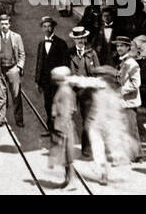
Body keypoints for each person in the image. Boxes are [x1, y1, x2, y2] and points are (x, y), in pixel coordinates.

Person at [34, 15, 70, 134]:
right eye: (44, 27)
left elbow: (66, 64)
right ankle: (50, 129)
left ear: (53, 27)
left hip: (57, 82)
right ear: (42, 28)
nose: (47, 29)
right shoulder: (41, 44)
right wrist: (37, 81)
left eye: (49, 26)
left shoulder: (61, 43)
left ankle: (60, 129)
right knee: (48, 105)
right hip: (45, 82)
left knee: (58, 105)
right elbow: (39, 63)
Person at [0, 12, 26, 129]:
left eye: (6, 24)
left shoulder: (16, 37)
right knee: (0, 95)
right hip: (0, 70)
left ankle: (19, 120)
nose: (4, 26)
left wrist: (19, 67)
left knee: (16, 95)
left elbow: (22, 54)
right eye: (2, 24)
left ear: (10, 25)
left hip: (12, 69)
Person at [69, 27, 99, 158]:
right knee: (70, 118)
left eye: (82, 38)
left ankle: (86, 147)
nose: (80, 40)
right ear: (74, 40)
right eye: (77, 38)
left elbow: (98, 72)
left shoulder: (92, 53)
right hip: (73, 91)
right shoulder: (69, 53)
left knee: (87, 120)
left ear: (85, 38)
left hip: (87, 92)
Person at [48, 66, 77, 187]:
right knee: (65, 156)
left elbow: (66, 111)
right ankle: (67, 180)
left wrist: (61, 129)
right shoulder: (64, 89)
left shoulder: (64, 91)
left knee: (67, 156)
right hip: (63, 125)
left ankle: (71, 182)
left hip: (64, 126)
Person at [114, 36, 142, 161]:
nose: (119, 48)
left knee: (131, 129)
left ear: (128, 48)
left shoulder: (132, 63)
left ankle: (137, 156)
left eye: (122, 46)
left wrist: (121, 91)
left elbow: (136, 83)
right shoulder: (122, 62)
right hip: (122, 101)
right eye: (118, 46)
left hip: (129, 101)